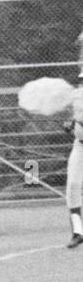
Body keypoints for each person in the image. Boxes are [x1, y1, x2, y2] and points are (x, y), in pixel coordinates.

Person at [66, 58, 83, 248]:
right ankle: (78, 232)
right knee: (73, 185)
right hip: (80, 146)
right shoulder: (79, 99)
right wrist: (71, 127)